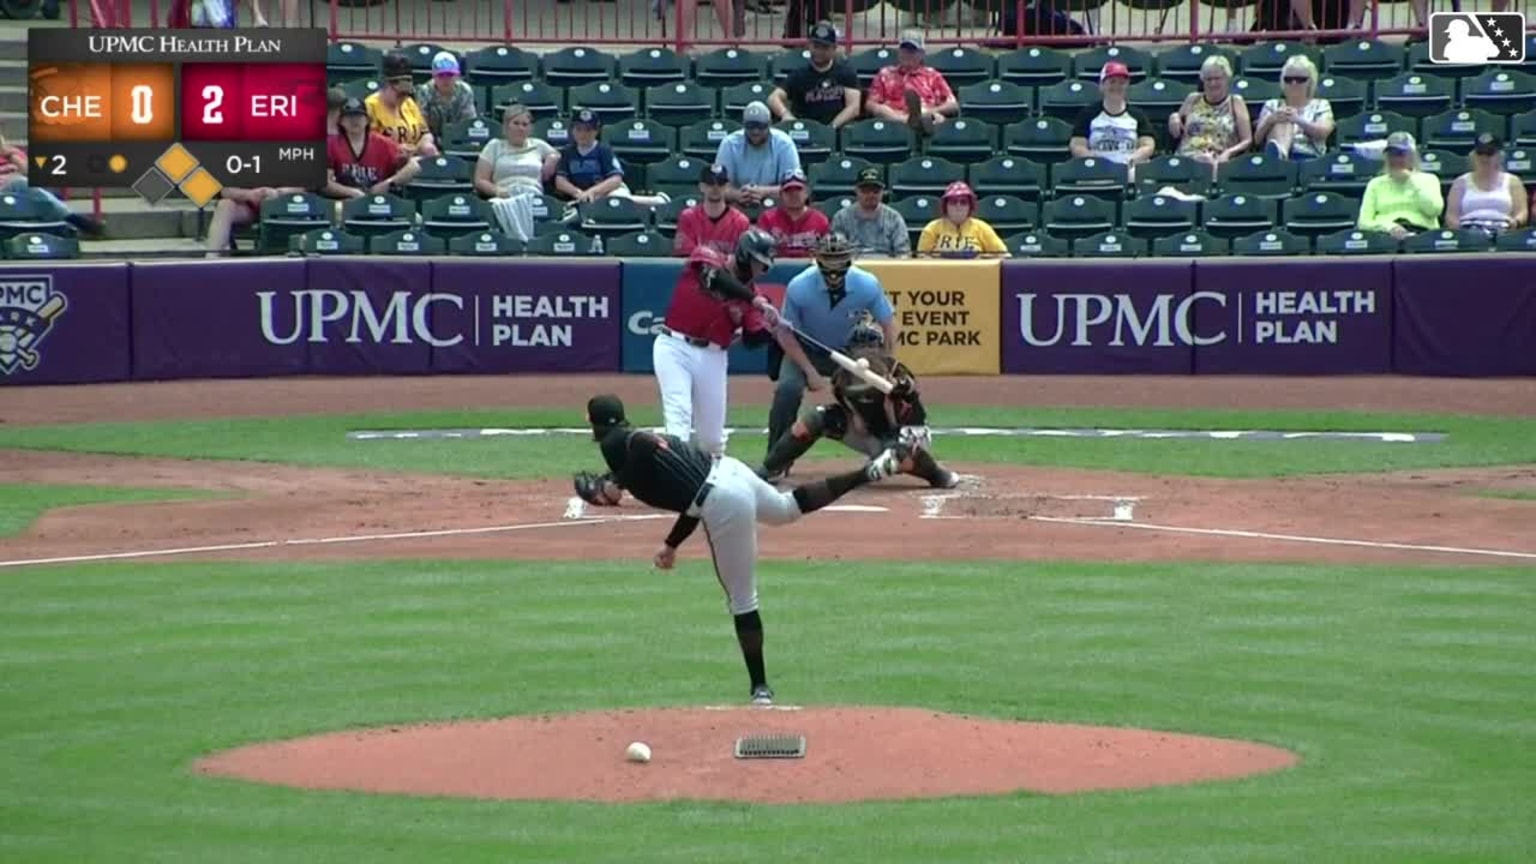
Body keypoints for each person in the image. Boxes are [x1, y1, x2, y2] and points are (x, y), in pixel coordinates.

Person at [571, 394, 909, 706]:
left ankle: (760, 687)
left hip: (723, 501)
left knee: (743, 598)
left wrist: (622, 475)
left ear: (594, 422)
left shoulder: (617, 443)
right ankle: (865, 473)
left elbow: (666, 471)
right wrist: (671, 544)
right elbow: (691, 499)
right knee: (785, 508)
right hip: (731, 472)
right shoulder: (634, 446)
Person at [654, 229, 812, 457]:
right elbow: (716, 279)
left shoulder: (753, 296)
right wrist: (754, 301)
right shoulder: (707, 255)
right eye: (758, 263)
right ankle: (671, 473)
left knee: (712, 441)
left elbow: (751, 340)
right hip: (674, 347)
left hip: (713, 357)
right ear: (744, 255)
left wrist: (773, 329)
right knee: (678, 417)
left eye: (764, 265)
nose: (761, 270)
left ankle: (707, 482)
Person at [759, 316, 959, 490]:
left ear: (880, 347)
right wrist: (856, 419)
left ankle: (937, 475)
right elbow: (856, 420)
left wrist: (898, 392)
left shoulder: (896, 371)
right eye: (859, 346)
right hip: (868, 434)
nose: (865, 351)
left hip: (906, 434)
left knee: (898, 454)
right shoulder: (843, 376)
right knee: (814, 419)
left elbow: (911, 413)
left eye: (870, 345)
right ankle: (769, 469)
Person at [764, 231, 896, 479]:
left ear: (851, 259)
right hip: (806, 349)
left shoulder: (867, 284)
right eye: (829, 262)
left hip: (847, 351)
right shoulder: (799, 287)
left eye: (840, 262)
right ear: (817, 259)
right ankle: (776, 459)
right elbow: (785, 333)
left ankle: (883, 449)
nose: (834, 271)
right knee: (788, 390)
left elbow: (888, 323)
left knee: (876, 391)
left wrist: (888, 364)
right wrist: (810, 371)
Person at [206, 87, 344, 256]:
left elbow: (307, 183)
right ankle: (212, 256)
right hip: (253, 204)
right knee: (224, 205)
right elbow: (226, 190)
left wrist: (283, 192)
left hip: (289, 202)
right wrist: (251, 194)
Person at [474, 103, 559, 241]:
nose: (521, 128)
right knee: (499, 206)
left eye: (525, 124)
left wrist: (552, 159)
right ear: (506, 126)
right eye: (516, 123)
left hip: (533, 196)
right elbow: (480, 180)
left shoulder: (538, 145)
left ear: (530, 128)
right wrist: (498, 191)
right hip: (505, 195)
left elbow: (555, 154)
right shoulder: (494, 146)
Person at [552, 109, 670, 208]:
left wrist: (592, 192)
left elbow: (615, 179)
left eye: (588, 130)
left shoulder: (603, 150)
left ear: (596, 131)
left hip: (607, 190)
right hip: (581, 195)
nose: (583, 134)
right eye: (578, 129)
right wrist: (578, 193)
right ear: (572, 130)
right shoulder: (568, 152)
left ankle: (656, 201)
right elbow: (560, 181)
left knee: (615, 198)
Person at [0, 127, 104, 238]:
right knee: (21, 183)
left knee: (26, 184)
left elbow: (27, 172)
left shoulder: (12, 153)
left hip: (17, 189)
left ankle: (64, 223)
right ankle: (73, 219)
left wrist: (9, 155)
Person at [324, 97, 420, 213]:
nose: (355, 120)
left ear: (367, 120)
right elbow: (324, 183)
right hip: (343, 202)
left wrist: (389, 183)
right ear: (341, 121)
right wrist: (352, 192)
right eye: (349, 116)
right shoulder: (331, 144)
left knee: (416, 219)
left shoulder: (384, 144)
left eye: (359, 116)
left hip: (380, 201)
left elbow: (414, 166)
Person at [1168, 56, 1252, 180]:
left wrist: (1229, 153)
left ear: (1226, 79)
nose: (1213, 83)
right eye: (1208, 79)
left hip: (1219, 158)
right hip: (1187, 156)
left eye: (1217, 78)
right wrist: (1174, 117)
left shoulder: (1235, 102)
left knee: (1208, 163)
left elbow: (1247, 140)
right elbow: (1176, 132)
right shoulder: (1193, 99)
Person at [1068, 61, 1156, 180]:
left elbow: (1148, 145)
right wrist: (1095, 161)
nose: (1117, 86)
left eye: (1121, 83)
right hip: (1097, 167)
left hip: (1129, 166)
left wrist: (1132, 160)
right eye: (1112, 82)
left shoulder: (1137, 114)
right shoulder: (1088, 114)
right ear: (1101, 85)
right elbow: (1077, 145)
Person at [768, 21, 862, 130]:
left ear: (834, 48)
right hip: (805, 131)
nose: (819, 51)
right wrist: (785, 114)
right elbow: (773, 98)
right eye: (816, 46)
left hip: (836, 132)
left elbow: (854, 107)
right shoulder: (799, 75)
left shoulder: (845, 73)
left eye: (825, 47)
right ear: (809, 46)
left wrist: (831, 128)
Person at [864, 31, 959, 138]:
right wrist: (883, 110)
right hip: (893, 119)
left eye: (912, 51)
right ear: (899, 52)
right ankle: (912, 121)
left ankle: (918, 121)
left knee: (937, 119)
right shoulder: (885, 74)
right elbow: (870, 104)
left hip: (925, 113)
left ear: (922, 54)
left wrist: (931, 111)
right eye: (904, 50)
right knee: (882, 111)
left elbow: (953, 105)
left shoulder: (933, 75)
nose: (907, 54)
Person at [1356, 131, 1444, 240]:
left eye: (1401, 155)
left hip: (1422, 234)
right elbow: (1364, 223)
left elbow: (1433, 210)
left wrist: (1412, 181)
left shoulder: (1429, 179)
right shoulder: (1375, 184)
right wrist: (1389, 227)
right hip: (1385, 235)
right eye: (1392, 155)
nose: (1396, 160)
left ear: (1412, 156)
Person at [713, 102, 802, 207]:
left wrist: (764, 191)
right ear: (743, 124)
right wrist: (736, 195)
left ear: (770, 124)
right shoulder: (730, 143)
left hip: (776, 208)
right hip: (738, 207)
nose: (755, 131)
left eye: (761, 126)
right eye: (750, 126)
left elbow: (794, 187)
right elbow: (718, 187)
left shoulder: (784, 143)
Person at [1252, 55, 1334, 162]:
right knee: (1282, 120)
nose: (1293, 83)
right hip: (1275, 162)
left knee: (1287, 118)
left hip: (1309, 157)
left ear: (1310, 82)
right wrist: (1271, 119)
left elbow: (1323, 132)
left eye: (1300, 80)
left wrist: (1297, 120)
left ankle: (1283, 158)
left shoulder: (1321, 105)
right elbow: (1257, 140)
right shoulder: (1272, 104)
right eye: (1288, 79)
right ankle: (1282, 155)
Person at [1444, 133, 1528, 236]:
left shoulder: (1513, 181)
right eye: (1480, 154)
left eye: (1489, 154)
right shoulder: (1460, 182)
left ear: (1499, 155)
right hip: (1468, 231)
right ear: (1473, 155)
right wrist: (1462, 232)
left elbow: (1522, 212)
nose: (1484, 158)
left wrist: (1515, 222)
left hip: (1503, 230)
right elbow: (1451, 216)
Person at [366, 53, 439, 159]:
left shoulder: (409, 103)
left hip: (412, 160)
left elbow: (425, 133)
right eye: (400, 94)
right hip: (384, 162)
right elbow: (367, 142)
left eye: (407, 94)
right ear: (387, 85)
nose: (404, 98)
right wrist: (395, 148)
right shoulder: (370, 106)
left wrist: (425, 145)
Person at [673, 163, 752, 257]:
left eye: (720, 183)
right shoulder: (688, 217)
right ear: (701, 187)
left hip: (727, 271)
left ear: (727, 186)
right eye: (710, 183)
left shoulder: (741, 221)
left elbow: (742, 259)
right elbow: (684, 255)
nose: (715, 188)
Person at [830, 166, 911, 257]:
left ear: (883, 192)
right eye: (865, 191)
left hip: (886, 267)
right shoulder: (841, 217)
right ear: (856, 190)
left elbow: (903, 253)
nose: (871, 195)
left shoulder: (894, 218)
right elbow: (837, 252)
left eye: (875, 191)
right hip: (852, 266)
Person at [916, 181, 1009, 257]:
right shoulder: (932, 228)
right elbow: (921, 259)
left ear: (970, 206)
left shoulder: (982, 228)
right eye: (953, 202)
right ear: (945, 206)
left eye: (963, 202)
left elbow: (1004, 255)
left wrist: (986, 259)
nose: (958, 206)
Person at [755, 169, 829, 258]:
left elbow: (826, 255)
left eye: (798, 189)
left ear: (807, 193)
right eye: (788, 190)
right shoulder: (767, 218)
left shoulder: (820, 220)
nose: (794, 194)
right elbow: (760, 253)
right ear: (781, 194)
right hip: (776, 269)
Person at [414, 51, 478, 143]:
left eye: (450, 75)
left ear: (457, 75)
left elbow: (468, 122)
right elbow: (422, 125)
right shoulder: (424, 91)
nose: (445, 79)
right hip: (431, 139)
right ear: (433, 76)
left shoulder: (465, 91)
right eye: (441, 75)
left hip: (459, 139)